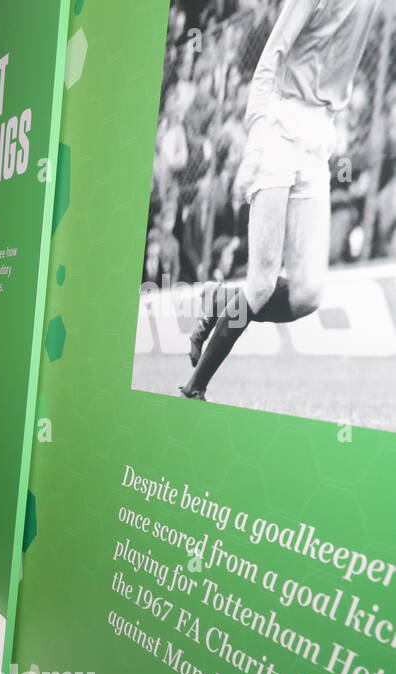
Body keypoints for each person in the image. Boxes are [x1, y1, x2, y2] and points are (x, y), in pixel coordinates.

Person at [182, 0, 378, 399]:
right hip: (279, 126)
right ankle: (193, 388)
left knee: (307, 294)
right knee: (261, 283)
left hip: (319, 136)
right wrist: (254, 146)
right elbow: (270, 57)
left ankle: (217, 298)